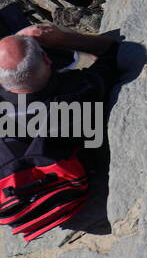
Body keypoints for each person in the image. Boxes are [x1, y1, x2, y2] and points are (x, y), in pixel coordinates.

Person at [0, 26, 121, 241]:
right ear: (47, 60)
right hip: (77, 187)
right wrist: (60, 38)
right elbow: (110, 50)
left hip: (20, 193)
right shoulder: (78, 93)